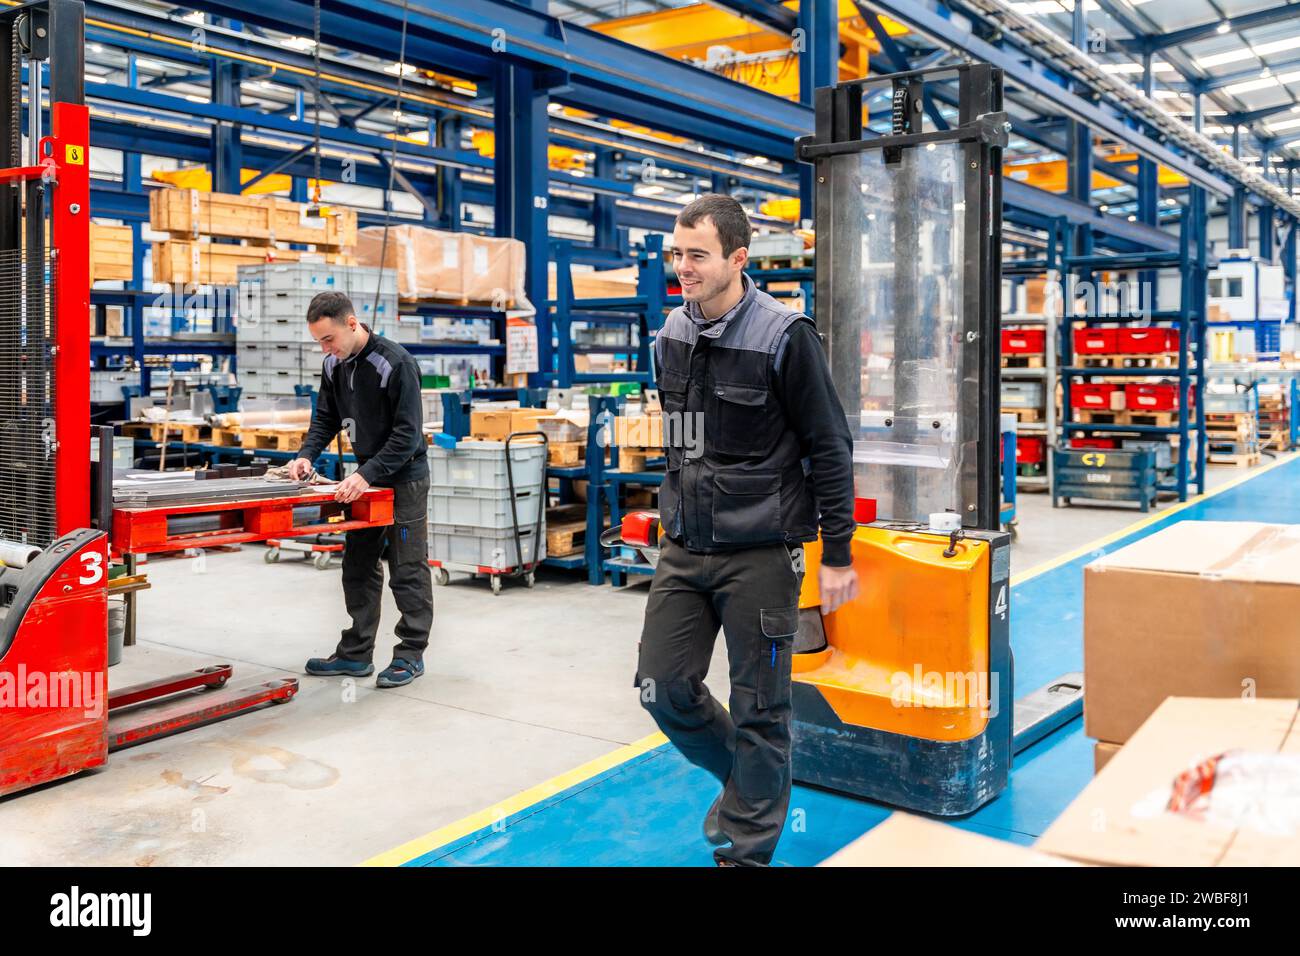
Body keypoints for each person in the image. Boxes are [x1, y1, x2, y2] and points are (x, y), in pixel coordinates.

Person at [635, 194, 860, 866]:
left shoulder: (785, 336)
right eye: (677, 254)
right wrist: (673, 504)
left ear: (738, 257)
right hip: (685, 547)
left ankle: (744, 850)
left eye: (697, 255)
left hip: (761, 552)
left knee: (761, 707)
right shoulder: (671, 333)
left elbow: (829, 445)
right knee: (661, 687)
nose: (683, 267)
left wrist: (838, 552)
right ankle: (751, 782)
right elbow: (681, 439)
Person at [289, 292, 433, 688]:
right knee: (358, 564)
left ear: (352, 324)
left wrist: (366, 474)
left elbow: (407, 435)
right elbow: (325, 417)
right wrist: (305, 455)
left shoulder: (396, 363)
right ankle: (355, 654)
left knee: (407, 568)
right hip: (365, 479)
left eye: (329, 339)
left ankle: (410, 654)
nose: (326, 348)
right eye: (319, 342)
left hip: (404, 479)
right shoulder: (333, 365)